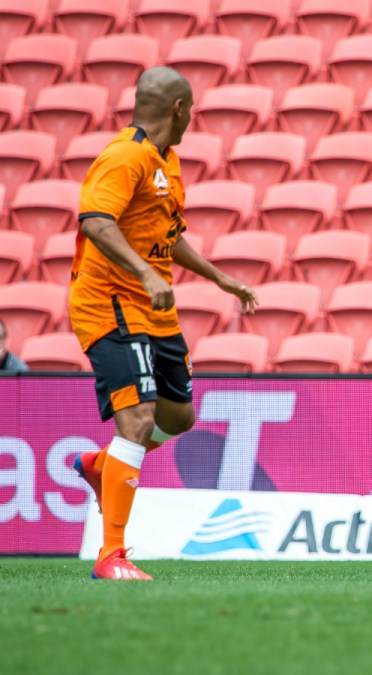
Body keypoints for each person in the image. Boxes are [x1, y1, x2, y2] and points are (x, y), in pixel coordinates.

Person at [69, 67, 258, 580]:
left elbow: (166, 237)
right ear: (178, 108)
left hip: (155, 312)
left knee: (178, 418)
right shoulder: (125, 155)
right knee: (136, 420)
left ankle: (102, 465)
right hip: (110, 303)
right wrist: (144, 276)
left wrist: (220, 279)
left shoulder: (166, 162)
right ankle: (111, 555)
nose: (192, 119)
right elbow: (95, 221)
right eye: (191, 109)